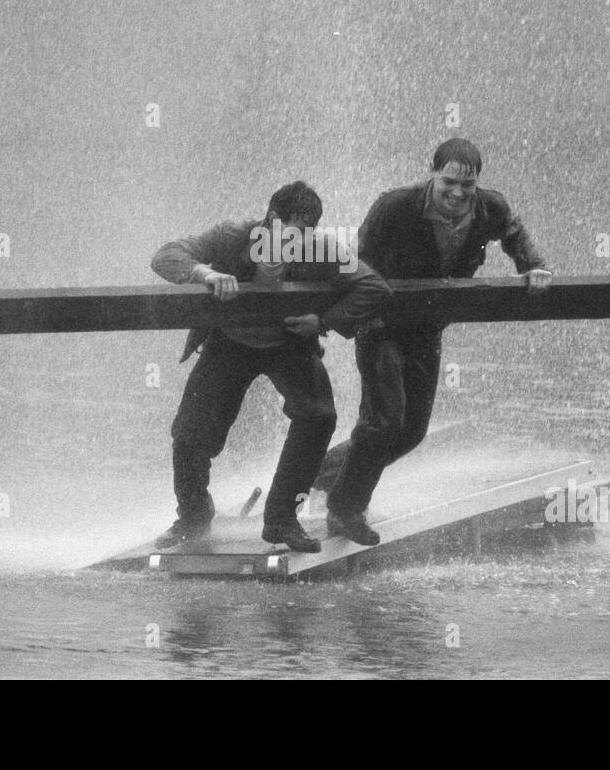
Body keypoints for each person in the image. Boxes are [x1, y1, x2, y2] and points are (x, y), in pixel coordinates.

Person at [319, 138, 552, 546]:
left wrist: (533, 266)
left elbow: (514, 233)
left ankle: (322, 473)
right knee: (385, 419)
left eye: (469, 184)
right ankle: (344, 507)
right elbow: (356, 263)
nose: (458, 193)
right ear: (432, 173)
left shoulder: (489, 208)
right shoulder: (394, 206)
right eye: (449, 182)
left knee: (410, 431)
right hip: (383, 324)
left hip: (428, 327)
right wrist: (350, 315)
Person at [150, 181, 392, 553]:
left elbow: (375, 287)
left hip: (288, 343)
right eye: (294, 231)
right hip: (230, 341)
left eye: (308, 233)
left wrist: (322, 320)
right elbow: (165, 256)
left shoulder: (321, 248)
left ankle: (282, 518)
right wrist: (205, 274)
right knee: (189, 434)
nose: (301, 241)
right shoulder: (232, 236)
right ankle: (193, 515)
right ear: (272, 218)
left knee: (319, 416)